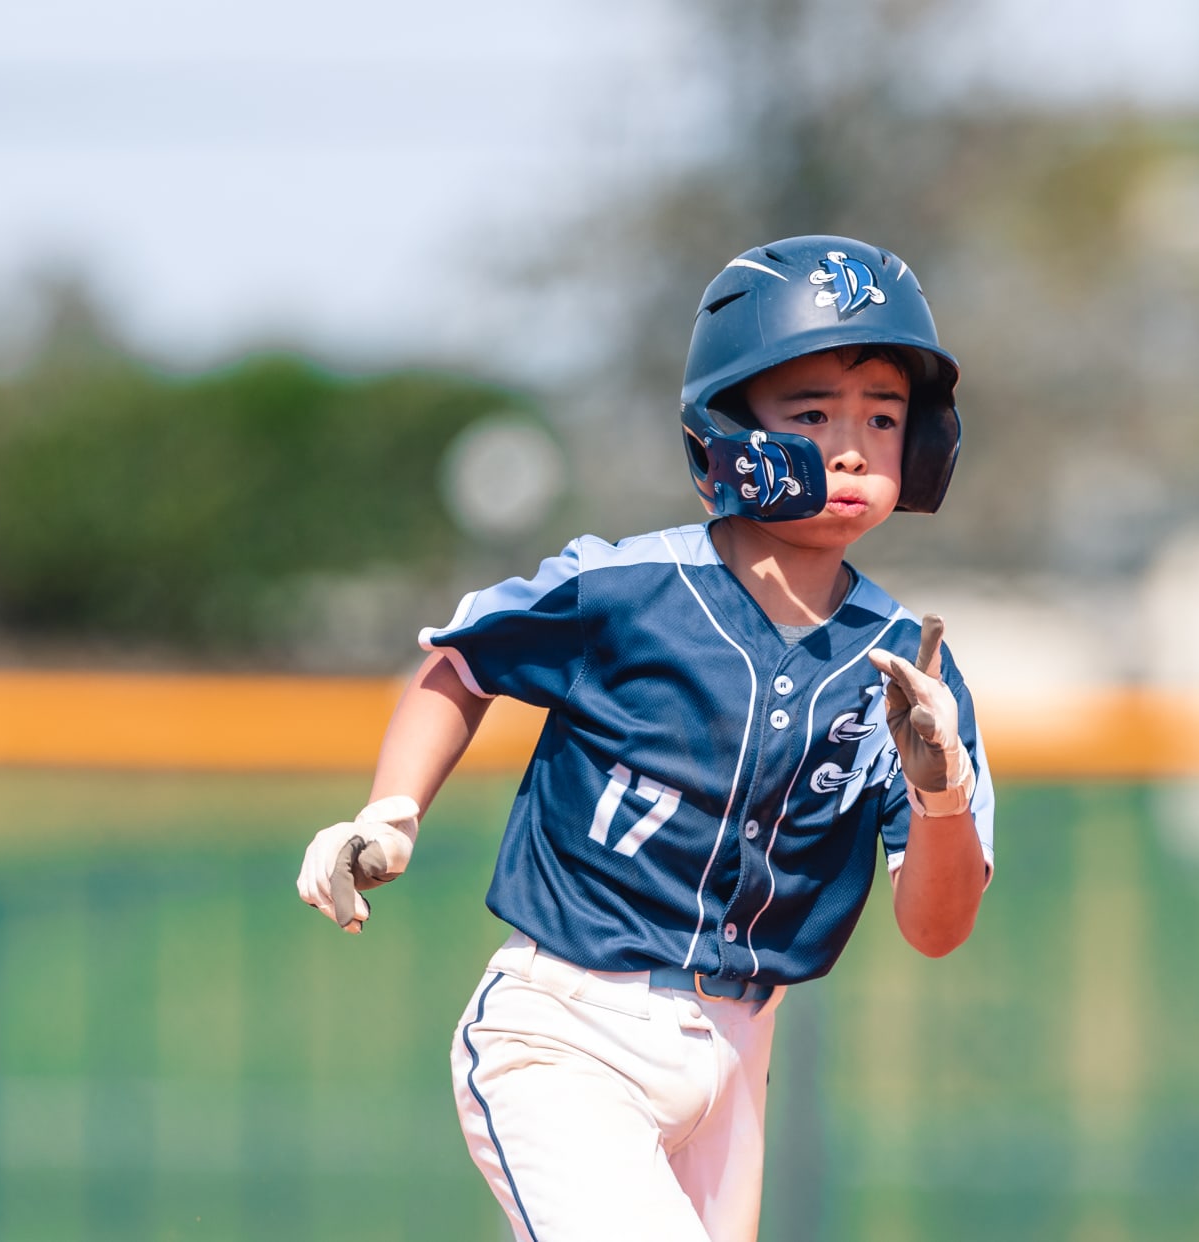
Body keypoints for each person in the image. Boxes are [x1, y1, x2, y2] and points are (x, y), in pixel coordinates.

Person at [297, 236, 995, 1242]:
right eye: (811, 413)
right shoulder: (626, 588)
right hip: (569, 1031)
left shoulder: (906, 670)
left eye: (882, 418)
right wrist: (391, 809)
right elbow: (464, 662)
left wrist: (939, 794)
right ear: (726, 431)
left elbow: (936, 927)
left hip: (738, 1056)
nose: (851, 446)